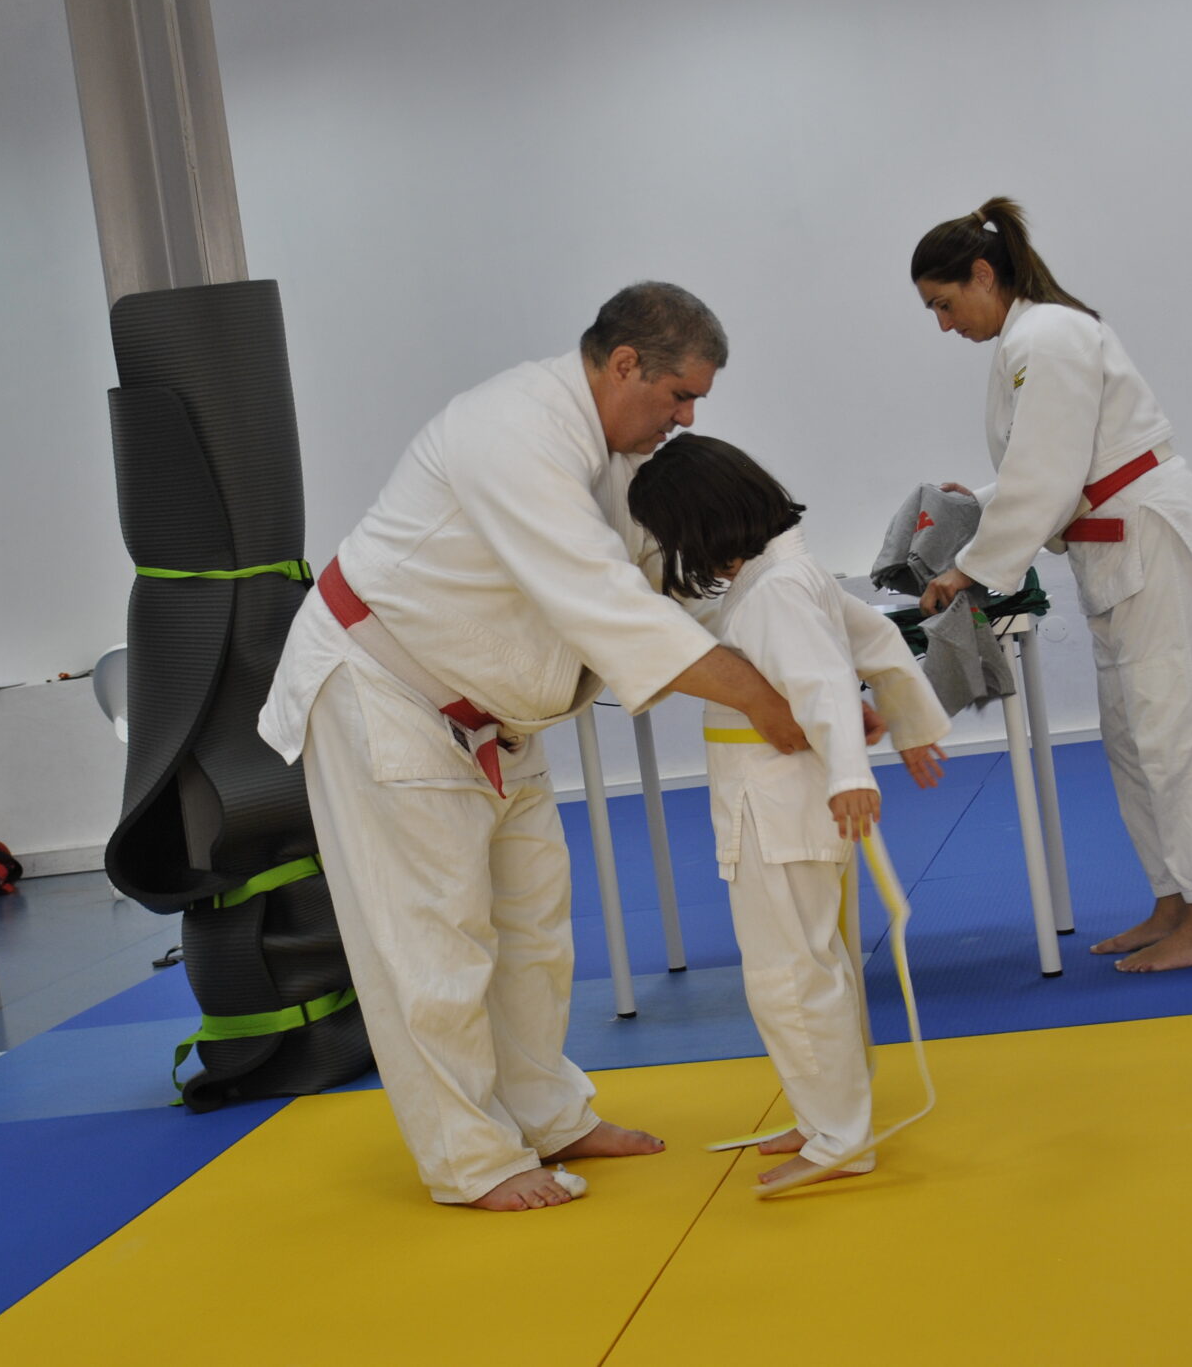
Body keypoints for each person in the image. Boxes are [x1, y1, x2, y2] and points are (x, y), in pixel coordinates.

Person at [259, 283, 823, 1211]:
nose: (685, 419)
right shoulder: (513, 430)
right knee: (432, 942)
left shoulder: (614, 454)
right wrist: (766, 697)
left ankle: (548, 1113)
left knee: (533, 927)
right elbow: (605, 600)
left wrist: (817, 664)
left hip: (492, 712)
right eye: (679, 395)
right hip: (386, 692)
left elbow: (672, 583)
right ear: (625, 363)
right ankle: (471, 1159)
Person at [909, 197, 1192, 972]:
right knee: (1133, 740)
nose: (943, 324)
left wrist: (971, 564)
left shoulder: (1049, 334)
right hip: (1115, 549)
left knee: (1179, 733)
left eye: (944, 302)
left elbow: (1049, 473)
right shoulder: (1029, 340)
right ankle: (1173, 900)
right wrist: (983, 508)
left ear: (983, 273)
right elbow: (1048, 467)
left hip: (1150, 545)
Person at [628, 435, 949, 1188]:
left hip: (780, 800)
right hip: (789, 793)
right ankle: (830, 1117)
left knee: (789, 972)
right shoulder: (787, 574)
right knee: (814, 960)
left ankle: (839, 1135)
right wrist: (908, 722)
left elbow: (822, 681)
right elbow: (869, 641)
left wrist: (849, 771)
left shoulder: (773, 589)